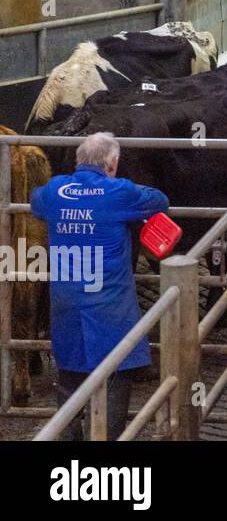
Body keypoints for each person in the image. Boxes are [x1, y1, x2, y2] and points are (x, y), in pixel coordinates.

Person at [30, 132, 170, 440]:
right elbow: (161, 200)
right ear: (112, 163)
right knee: (115, 379)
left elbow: (35, 202)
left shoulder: (55, 190)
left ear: (79, 162)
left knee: (69, 381)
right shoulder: (119, 191)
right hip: (109, 305)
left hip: (66, 301)